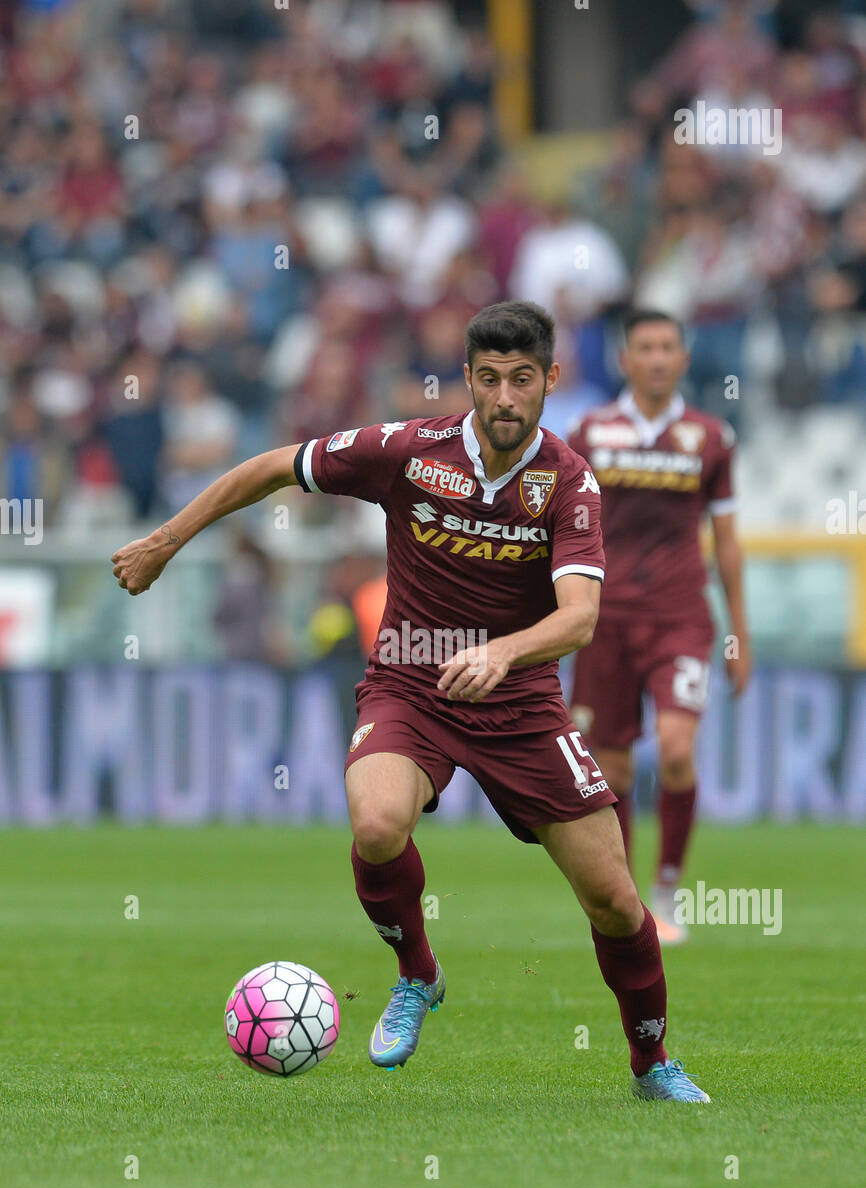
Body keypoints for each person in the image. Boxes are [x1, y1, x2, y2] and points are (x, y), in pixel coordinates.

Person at [112, 300, 710, 1102]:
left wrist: (501, 650)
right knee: (377, 823)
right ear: (467, 379)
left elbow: (580, 617)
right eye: (489, 379)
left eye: (523, 380)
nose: (505, 397)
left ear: (550, 382)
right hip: (408, 681)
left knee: (612, 898)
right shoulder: (407, 450)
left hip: (521, 699)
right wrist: (162, 542)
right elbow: (269, 468)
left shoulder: (567, 480)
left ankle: (652, 1064)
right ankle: (417, 973)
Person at [567, 308, 751, 944]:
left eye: (667, 347)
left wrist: (739, 634)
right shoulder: (590, 433)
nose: (655, 357)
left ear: (683, 359)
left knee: (676, 751)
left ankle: (668, 889)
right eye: (644, 347)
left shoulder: (711, 437)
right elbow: (562, 530)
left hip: (679, 618)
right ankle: (623, 901)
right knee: (611, 774)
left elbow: (726, 541)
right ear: (625, 360)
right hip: (604, 620)